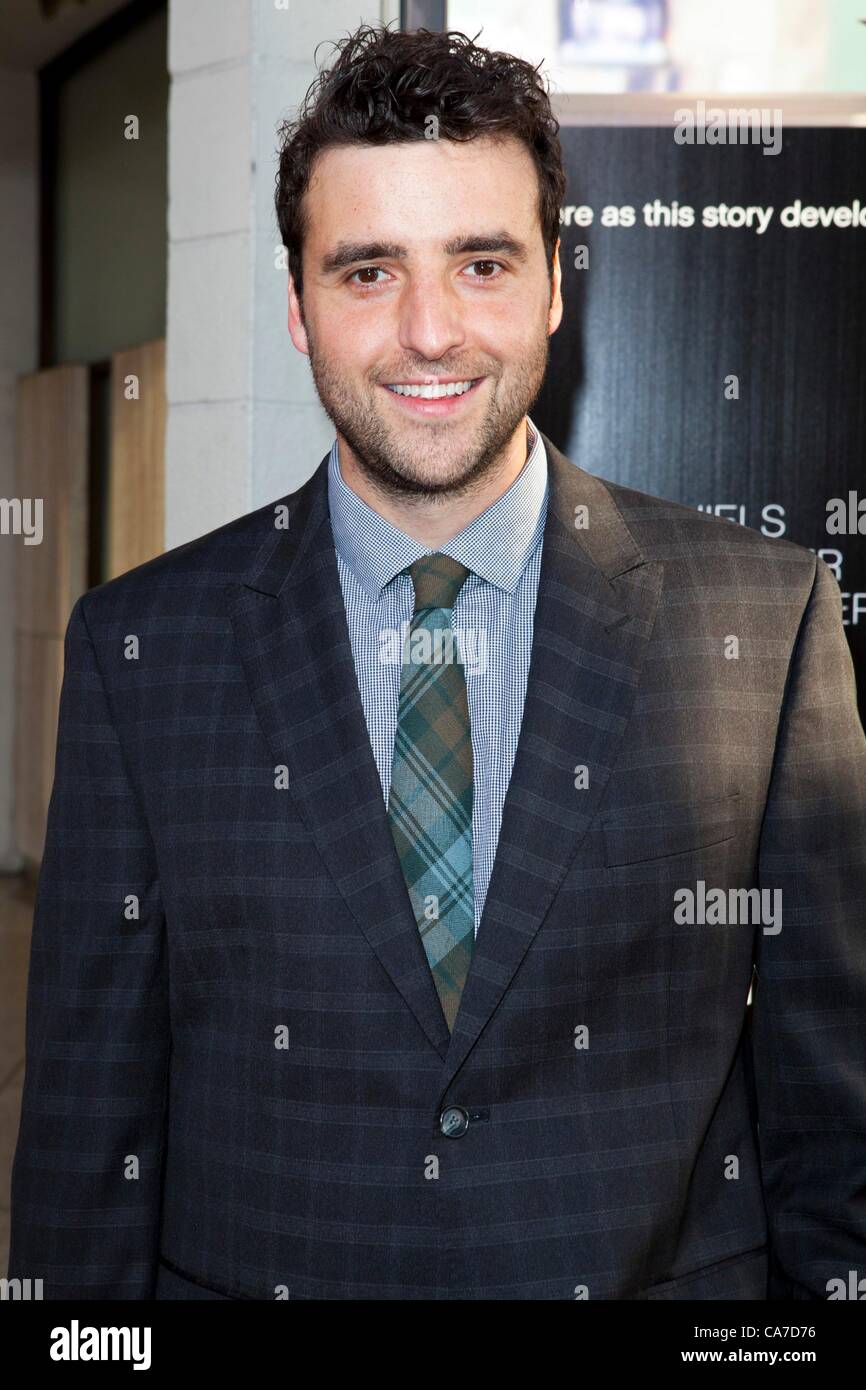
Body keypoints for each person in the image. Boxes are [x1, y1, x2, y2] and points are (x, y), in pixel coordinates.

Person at [8, 23, 866, 1301]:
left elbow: (834, 1115)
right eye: (366, 272)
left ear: (554, 288)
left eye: (479, 263)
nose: (427, 330)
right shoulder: (143, 651)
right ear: (298, 307)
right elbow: (87, 1133)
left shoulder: (765, 618)